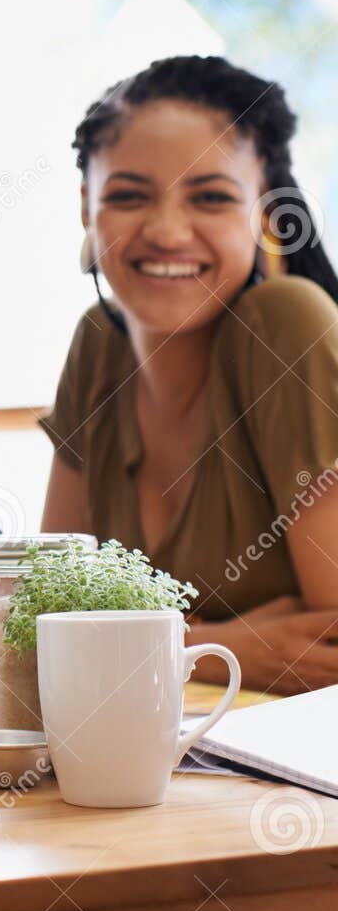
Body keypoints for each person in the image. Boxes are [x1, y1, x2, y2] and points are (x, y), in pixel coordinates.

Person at [40, 54, 338, 693]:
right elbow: (44, 623)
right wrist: (223, 645)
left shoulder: (286, 323)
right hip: (153, 746)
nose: (168, 231)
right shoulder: (97, 345)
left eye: (211, 197)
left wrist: (146, 642)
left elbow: (332, 645)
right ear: (86, 206)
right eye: (128, 195)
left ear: (267, 213)